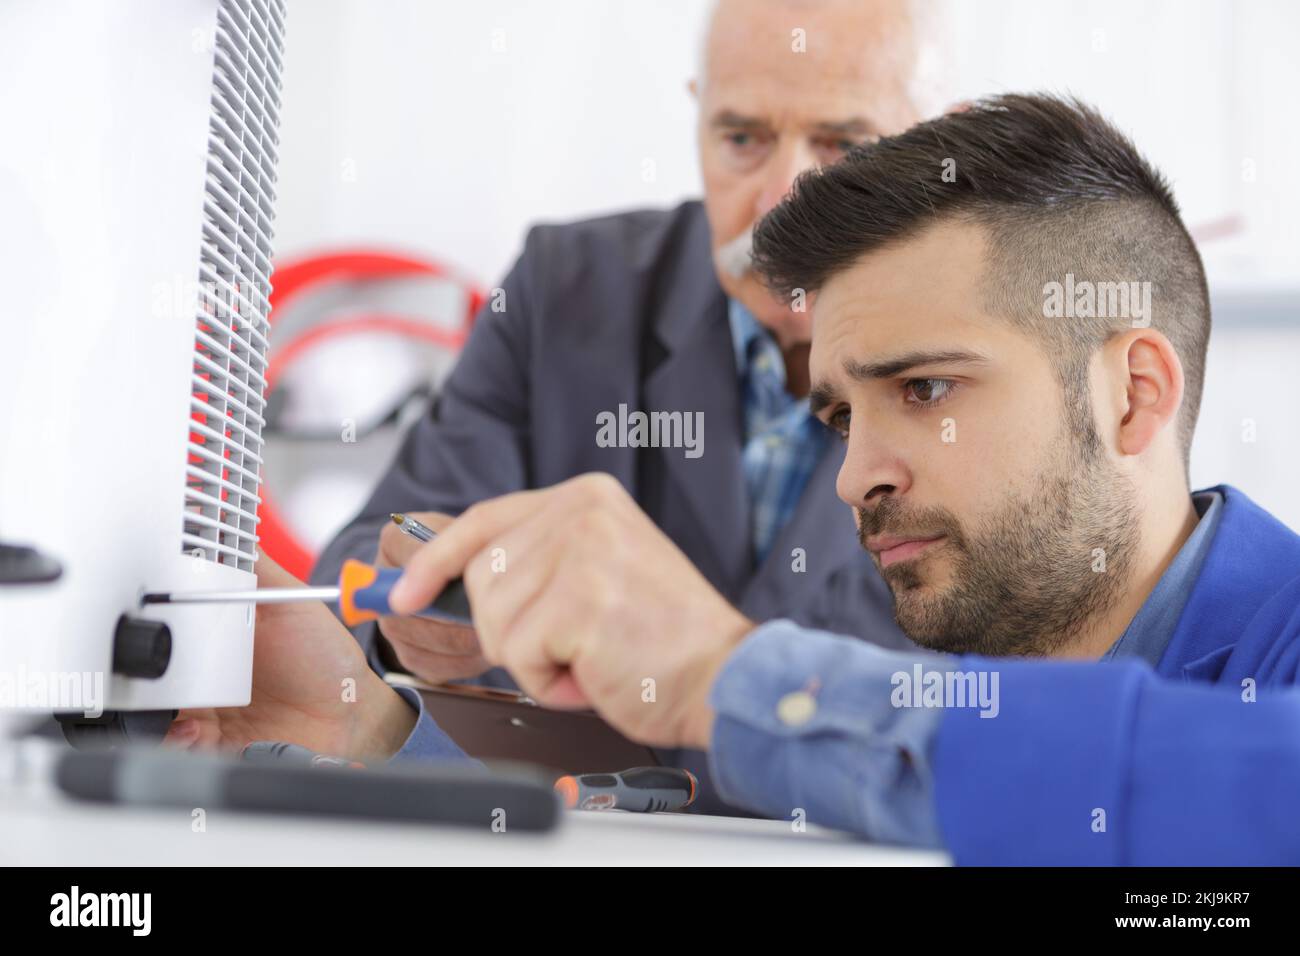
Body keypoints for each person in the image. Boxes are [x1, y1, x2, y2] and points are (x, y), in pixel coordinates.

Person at [310, 0, 941, 813]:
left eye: (844, 144)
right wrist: (409, 617)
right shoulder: (563, 291)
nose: (784, 200)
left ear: (937, 148)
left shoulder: (998, 354)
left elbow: (1040, 696)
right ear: (698, 118)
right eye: (743, 138)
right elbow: (354, 568)